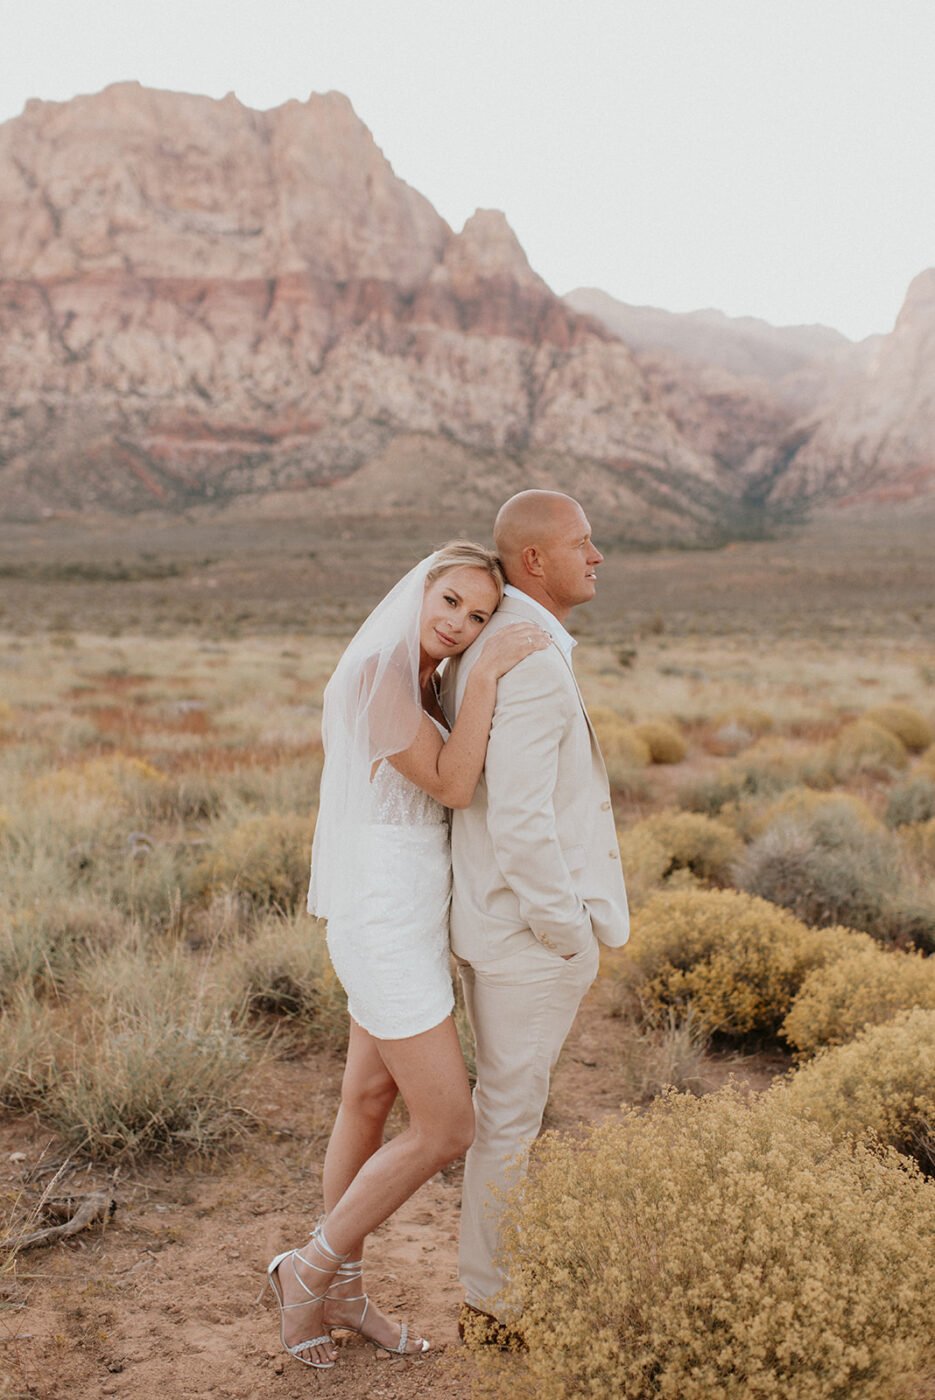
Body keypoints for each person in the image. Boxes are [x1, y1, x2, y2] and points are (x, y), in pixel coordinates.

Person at [267, 541, 550, 1370]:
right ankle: (308, 1268)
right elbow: (452, 785)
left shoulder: (421, 680)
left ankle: (344, 1288)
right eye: (451, 601)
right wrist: (491, 677)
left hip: (407, 914)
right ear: (420, 590)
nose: (460, 624)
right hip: (384, 922)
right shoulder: (381, 677)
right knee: (449, 1126)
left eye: (479, 616)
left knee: (367, 1096)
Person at [442, 491, 630, 1344]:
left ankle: (497, 1287)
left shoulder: (506, 643)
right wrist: (568, 932)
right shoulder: (530, 660)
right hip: (525, 938)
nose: (596, 558)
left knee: (507, 1117)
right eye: (581, 544)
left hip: (501, 925)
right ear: (533, 562)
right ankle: (494, 1304)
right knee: (510, 1121)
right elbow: (519, 821)